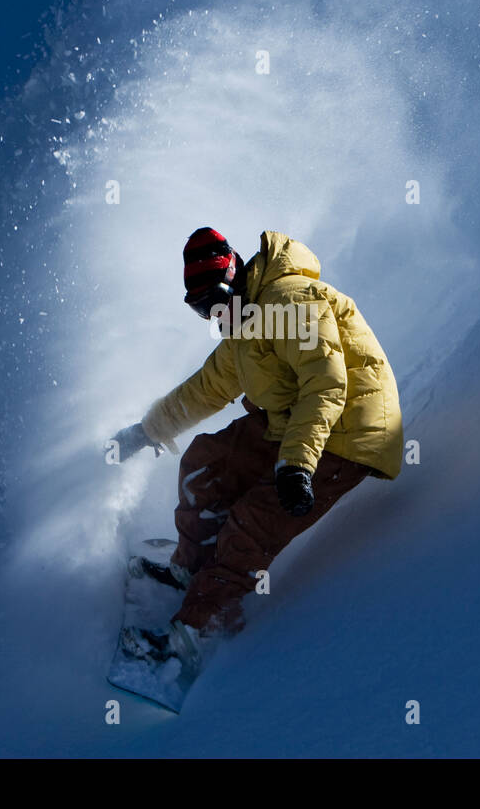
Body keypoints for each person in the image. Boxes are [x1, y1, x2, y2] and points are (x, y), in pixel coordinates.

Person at [111, 227, 403, 669]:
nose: (212, 317)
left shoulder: (290, 302)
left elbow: (327, 385)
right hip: (296, 424)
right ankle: (191, 568)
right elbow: (204, 390)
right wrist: (145, 431)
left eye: (213, 303)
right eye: (200, 310)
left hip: (348, 431)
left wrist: (296, 466)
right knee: (205, 462)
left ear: (233, 279)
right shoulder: (246, 327)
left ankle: (197, 629)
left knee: (252, 522)